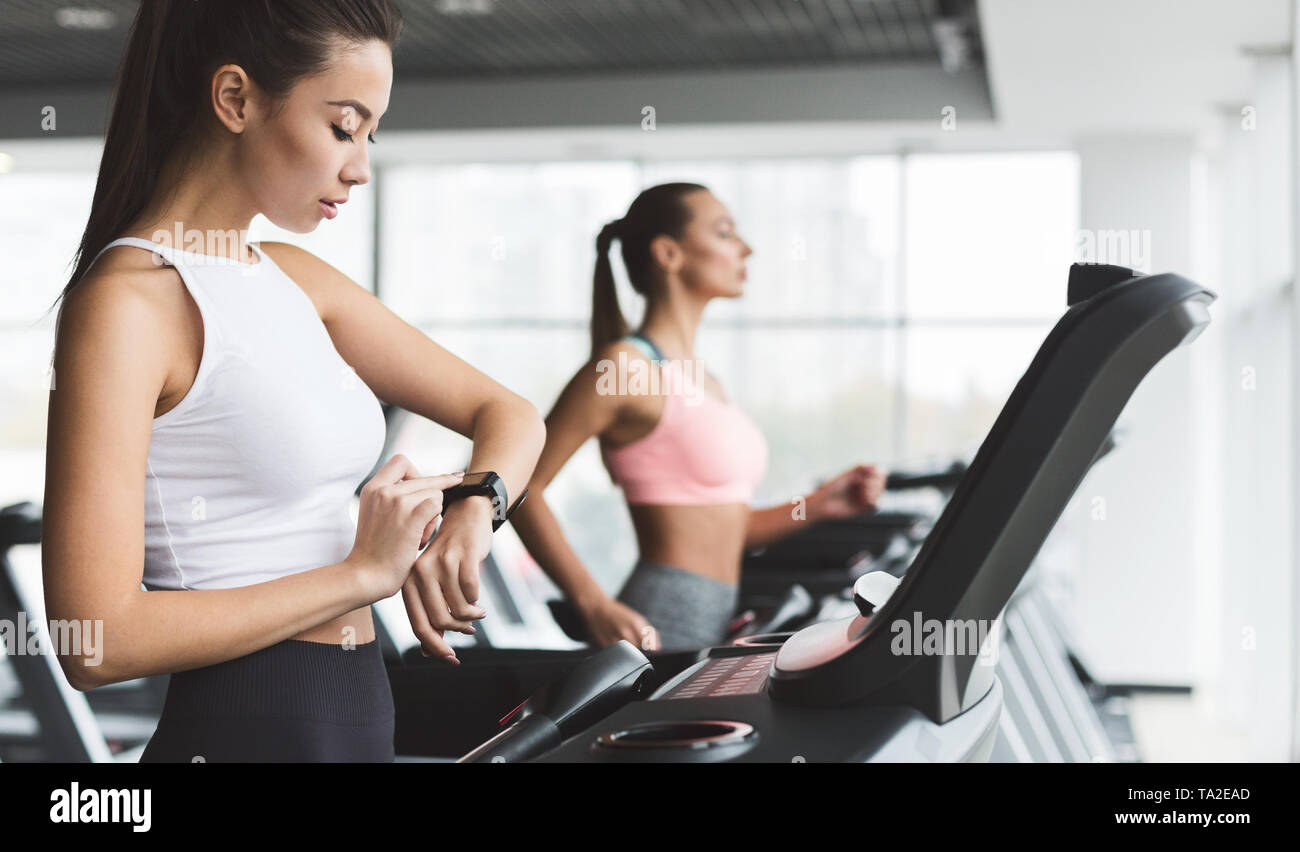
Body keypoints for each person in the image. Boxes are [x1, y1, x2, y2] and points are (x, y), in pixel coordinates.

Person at [40, 0, 545, 762]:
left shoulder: (297, 280)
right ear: (236, 98)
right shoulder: (129, 303)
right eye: (343, 127)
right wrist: (361, 573)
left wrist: (479, 503)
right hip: (245, 730)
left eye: (371, 134)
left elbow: (506, 412)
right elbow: (96, 640)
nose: (361, 166)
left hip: (354, 716)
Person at [510, 183, 886, 652]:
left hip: (717, 610)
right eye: (725, 232)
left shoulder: (704, 380)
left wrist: (824, 502)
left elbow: (729, 530)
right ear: (668, 253)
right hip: (663, 617)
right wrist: (591, 602)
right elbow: (521, 482)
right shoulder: (627, 368)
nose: (746, 247)